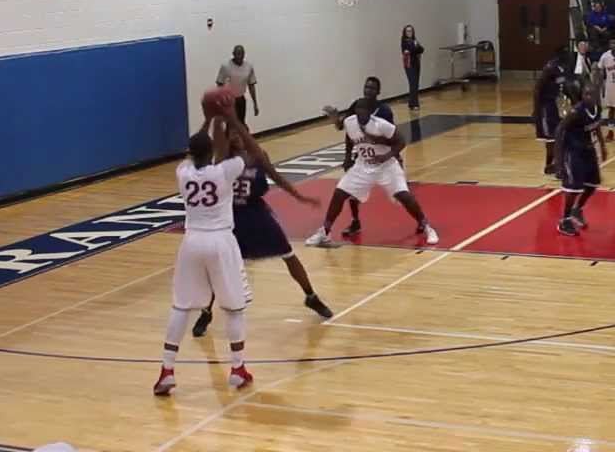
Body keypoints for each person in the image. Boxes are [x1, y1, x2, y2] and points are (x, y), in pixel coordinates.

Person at [191, 122, 332, 338]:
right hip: (232, 218)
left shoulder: (257, 155)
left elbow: (278, 179)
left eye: (241, 133)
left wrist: (301, 197)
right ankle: (206, 312)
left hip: (257, 213)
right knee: (218, 267)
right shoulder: (222, 160)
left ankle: (311, 296)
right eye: (233, 134)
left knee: (289, 255)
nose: (237, 137)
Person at [154, 104, 256, 396]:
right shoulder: (225, 171)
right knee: (234, 307)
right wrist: (231, 122)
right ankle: (237, 368)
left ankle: (166, 370)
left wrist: (208, 118)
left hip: (192, 240)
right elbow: (248, 153)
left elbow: (195, 148)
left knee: (181, 306)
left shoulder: (182, 172)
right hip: (221, 240)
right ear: (211, 152)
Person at [305, 98, 439, 246]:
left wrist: (385, 156)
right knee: (339, 193)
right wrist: (335, 119)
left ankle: (427, 226)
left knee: (403, 195)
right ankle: (325, 231)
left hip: (387, 166)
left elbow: (401, 141)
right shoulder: (350, 122)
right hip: (363, 166)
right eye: (358, 110)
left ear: (369, 112)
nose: (360, 113)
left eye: (364, 111)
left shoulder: (381, 125)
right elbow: (344, 130)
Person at [556, 83, 608, 236]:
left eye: (592, 94)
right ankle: (564, 220)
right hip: (573, 151)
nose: (589, 97)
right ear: (582, 95)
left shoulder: (597, 109)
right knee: (573, 188)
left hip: (588, 150)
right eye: (586, 94)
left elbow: (596, 126)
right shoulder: (575, 112)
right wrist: (558, 161)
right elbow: (559, 131)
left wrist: (603, 146)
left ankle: (577, 210)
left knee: (592, 185)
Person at [532, 49, 567, 174]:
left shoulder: (561, 69)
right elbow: (537, 89)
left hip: (554, 105)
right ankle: (551, 165)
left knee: (558, 136)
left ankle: (551, 165)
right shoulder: (550, 68)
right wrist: (536, 110)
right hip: (545, 107)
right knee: (551, 138)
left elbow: (564, 87)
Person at [216, 45, 259, 123]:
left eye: (242, 53)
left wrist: (255, 103)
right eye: (238, 53)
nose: (240, 56)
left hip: (241, 99)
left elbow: (251, 85)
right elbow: (219, 85)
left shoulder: (248, 66)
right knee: (231, 125)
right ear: (233, 54)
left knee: (241, 123)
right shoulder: (225, 66)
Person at [401, 25, 424, 110]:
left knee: (416, 84)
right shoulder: (404, 41)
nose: (409, 33)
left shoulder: (415, 40)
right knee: (413, 83)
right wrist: (415, 48)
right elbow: (409, 50)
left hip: (416, 63)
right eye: (408, 31)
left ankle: (411, 103)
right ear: (405, 32)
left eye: (411, 31)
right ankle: (415, 103)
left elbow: (421, 49)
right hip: (409, 64)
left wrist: (415, 48)